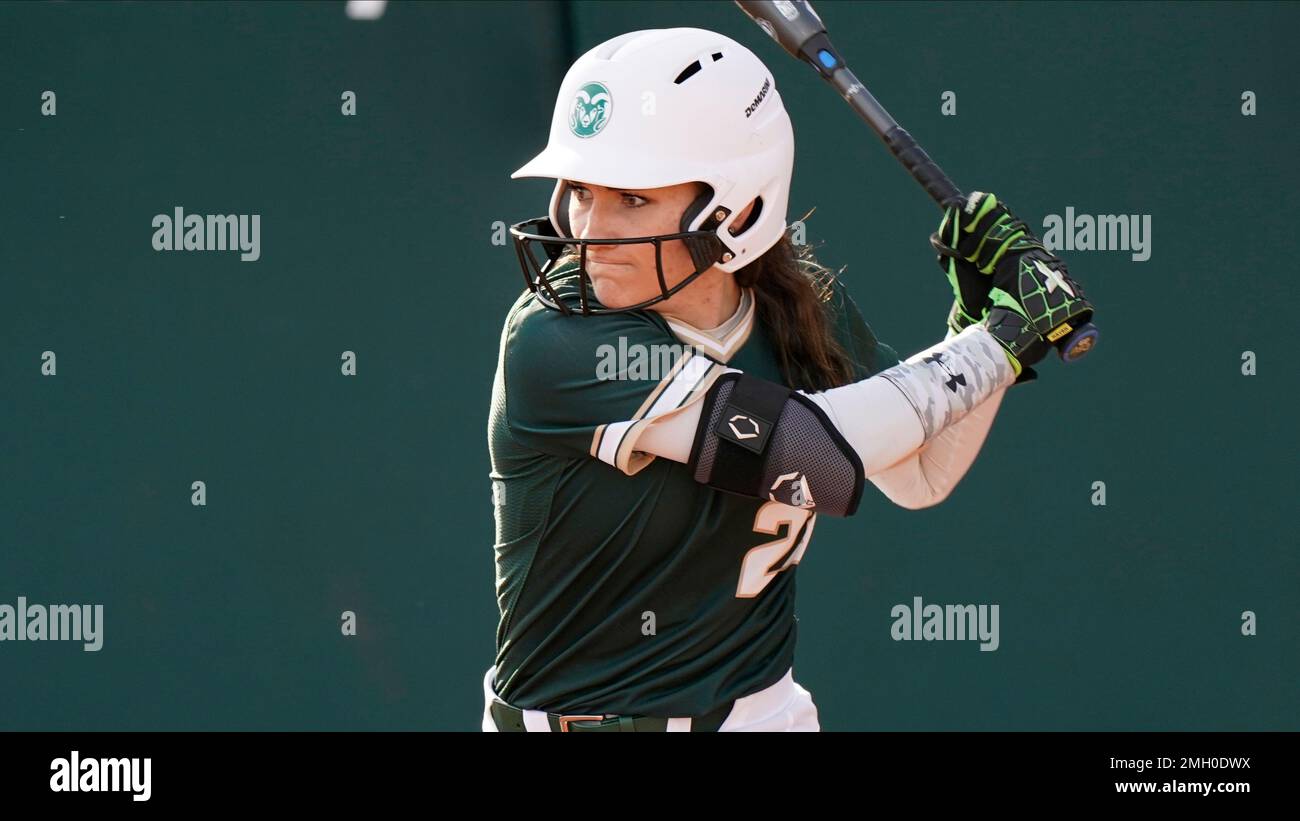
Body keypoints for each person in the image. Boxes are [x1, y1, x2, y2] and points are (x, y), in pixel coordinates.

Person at [484, 27, 1090, 732]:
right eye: (583, 191)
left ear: (737, 208)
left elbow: (920, 471)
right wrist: (1000, 344)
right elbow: (809, 452)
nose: (592, 229)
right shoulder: (556, 338)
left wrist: (979, 323)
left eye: (634, 200)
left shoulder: (797, 306)